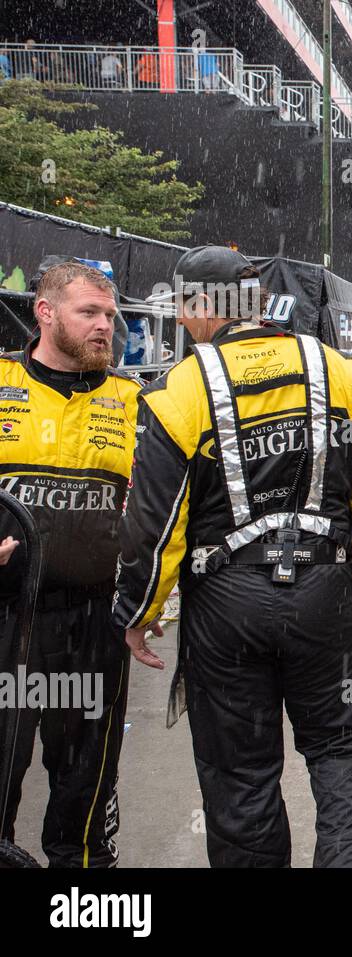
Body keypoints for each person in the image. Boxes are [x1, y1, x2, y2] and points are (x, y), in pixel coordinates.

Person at [113, 246, 352, 867]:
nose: (184, 324)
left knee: (241, 778)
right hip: (325, 594)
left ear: (202, 305)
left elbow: (156, 527)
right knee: (339, 755)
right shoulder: (337, 371)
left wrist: (140, 609)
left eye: (185, 309)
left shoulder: (177, 391)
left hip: (225, 606)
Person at [0, 262, 141, 867]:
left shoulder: (134, 401)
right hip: (6, 622)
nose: (105, 326)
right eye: (89, 313)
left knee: (82, 799)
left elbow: (165, 510)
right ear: (46, 311)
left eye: (110, 316)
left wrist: (150, 593)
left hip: (92, 625)